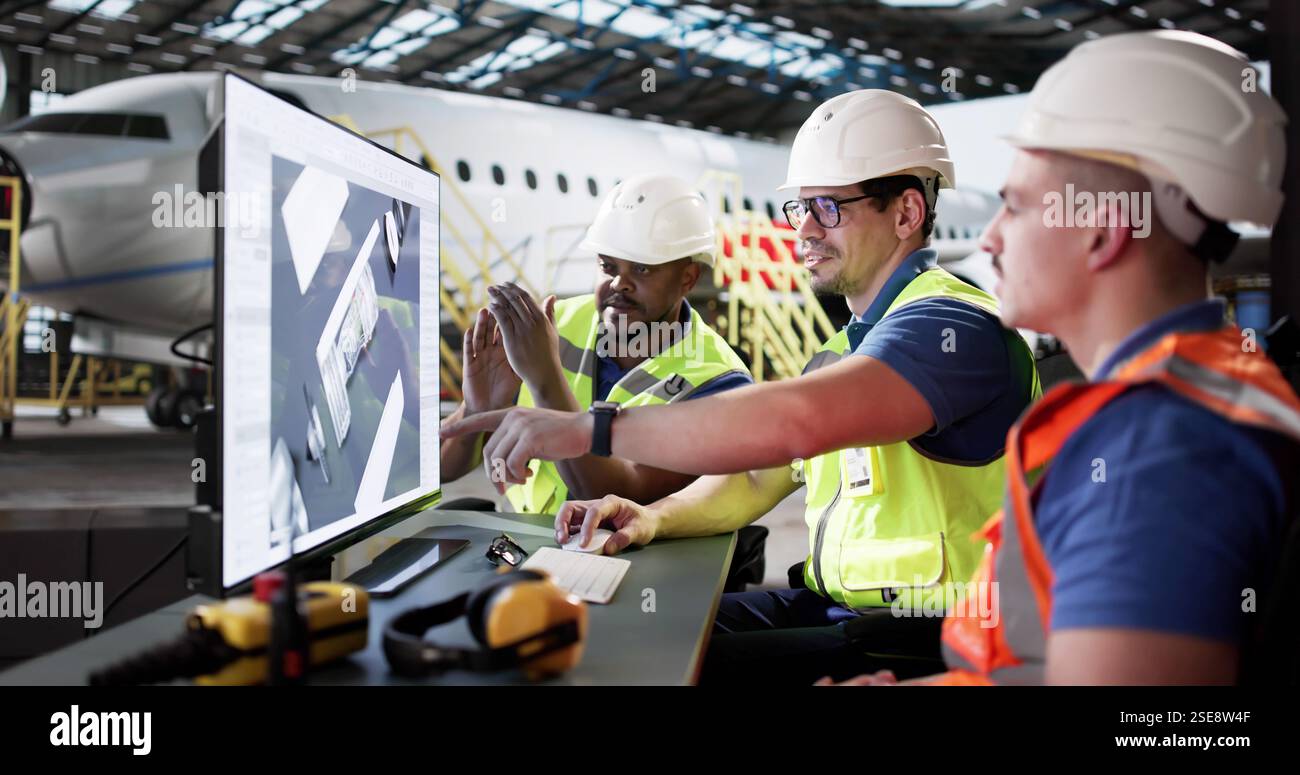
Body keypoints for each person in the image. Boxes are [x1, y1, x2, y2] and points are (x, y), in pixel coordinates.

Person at [444, 90, 1041, 684]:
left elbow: (796, 421)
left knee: (652, 664)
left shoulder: (955, 325)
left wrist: (589, 428)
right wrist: (653, 519)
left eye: (828, 207)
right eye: (799, 208)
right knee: (626, 623)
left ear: (907, 214)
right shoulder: (841, 350)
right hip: (835, 605)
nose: (803, 229)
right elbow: (757, 475)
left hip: (932, 631)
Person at [837, 30, 1300, 687]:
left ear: (1102, 232)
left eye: (1016, 205)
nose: (991, 238)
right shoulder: (1185, 399)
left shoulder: (1163, 451)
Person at [440, 173, 752, 515]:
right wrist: (476, 411)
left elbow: (622, 493)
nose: (620, 283)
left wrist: (545, 379)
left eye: (643, 269)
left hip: (630, 559)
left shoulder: (718, 381)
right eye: (608, 266)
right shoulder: (553, 325)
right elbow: (443, 469)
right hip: (526, 540)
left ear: (688, 278)